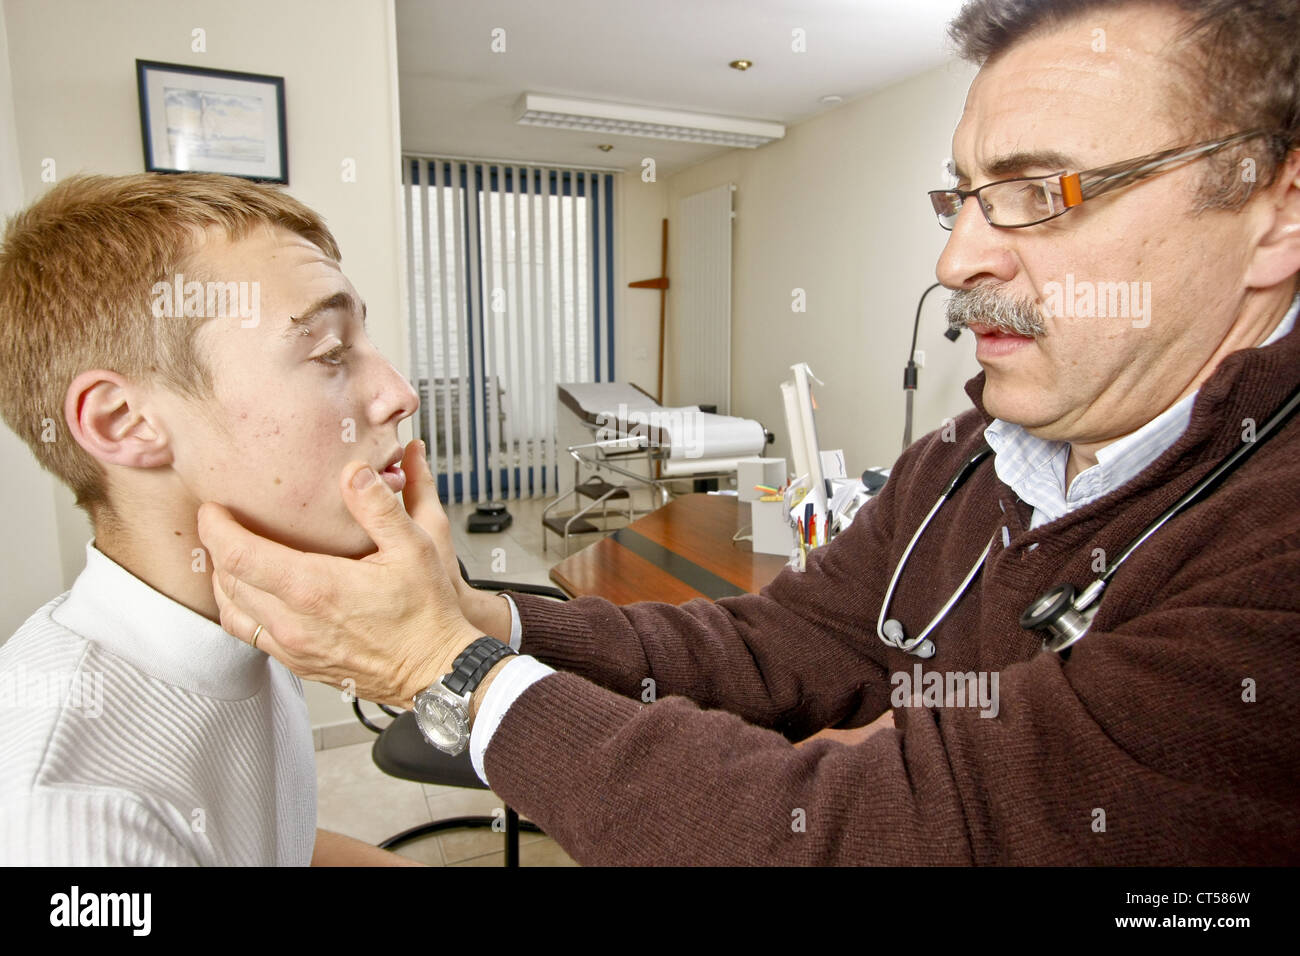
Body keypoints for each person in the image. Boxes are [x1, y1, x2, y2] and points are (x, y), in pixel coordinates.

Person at [199, 0, 1300, 865]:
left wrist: (446, 668)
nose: (957, 260)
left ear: (1275, 212)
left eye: (1041, 191)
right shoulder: (965, 463)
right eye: (959, 196)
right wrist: (486, 616)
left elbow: (848, 838)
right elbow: (771, 651)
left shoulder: (1269, 557)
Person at [0, 173, 421, 865]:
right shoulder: (70, 826)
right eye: (330, 354)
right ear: (126, 422)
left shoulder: (239, 622)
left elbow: (266, 849)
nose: (399, 394)